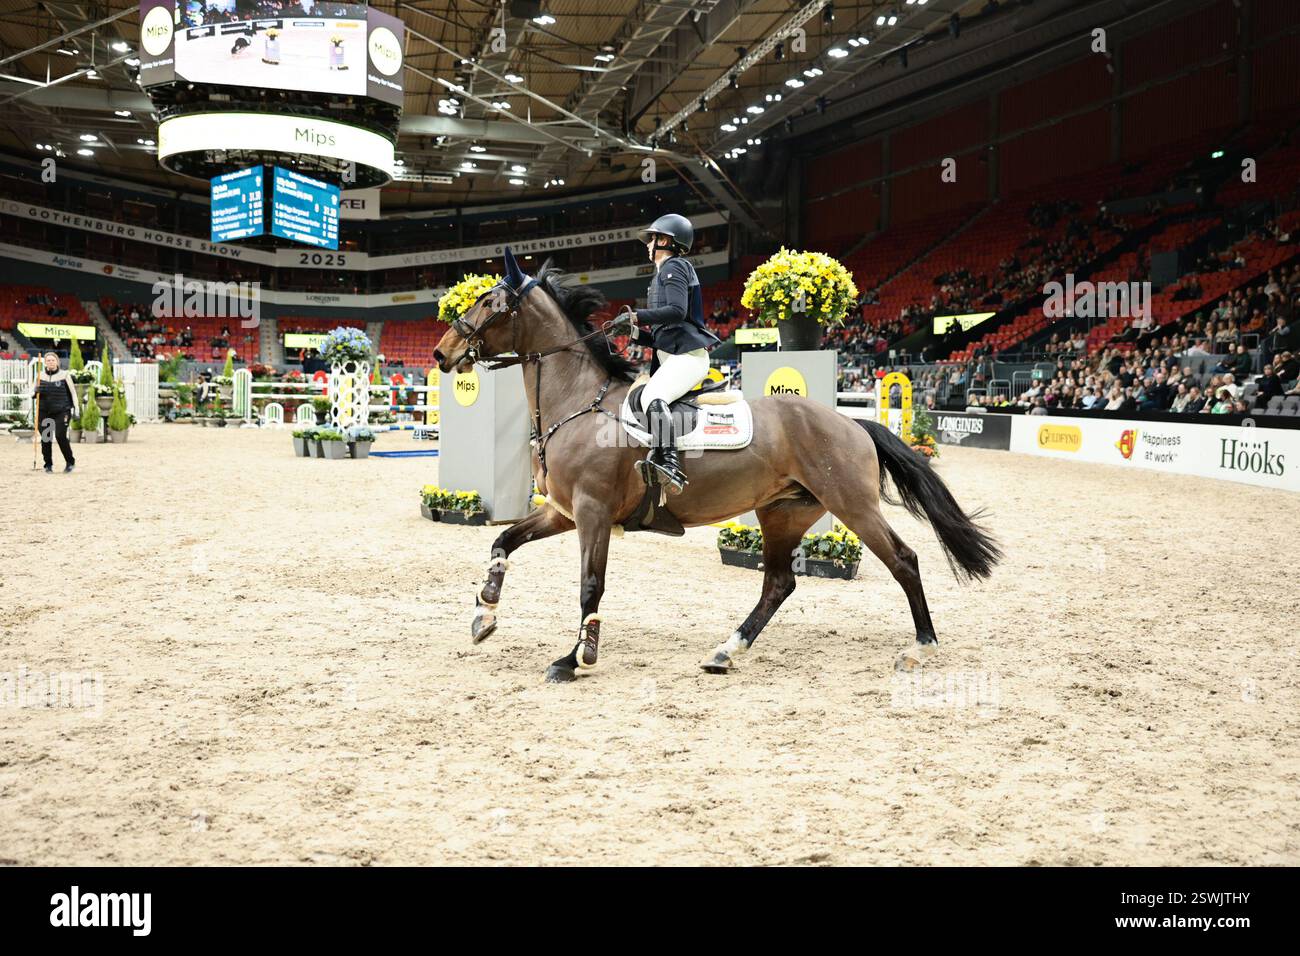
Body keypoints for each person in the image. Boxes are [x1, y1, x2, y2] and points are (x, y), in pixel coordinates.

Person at [624, 213, 721, 493]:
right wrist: (631, 333)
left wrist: (637, 315)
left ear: (665, 240)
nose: (648, 244)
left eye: (652, 238)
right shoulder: (662, 273)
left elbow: (678, 312)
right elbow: (662, 335)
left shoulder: (674, 266)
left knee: (652, 396)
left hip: (688, 358)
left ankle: (670, 465)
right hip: (674, 355)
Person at [32, 351, 79, 473]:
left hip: (62, 411)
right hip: (44, 411)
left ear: (57, 361)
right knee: (46, 438)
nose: (50, 362)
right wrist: (35, 391)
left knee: (60, 436)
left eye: (53, 360)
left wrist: (77, 410)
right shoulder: (40, 375)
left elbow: (73, 393)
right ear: (45, 363)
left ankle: (70, 462)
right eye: (48, 360)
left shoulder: (65, 375)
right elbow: (32, 392)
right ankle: (48, 464)